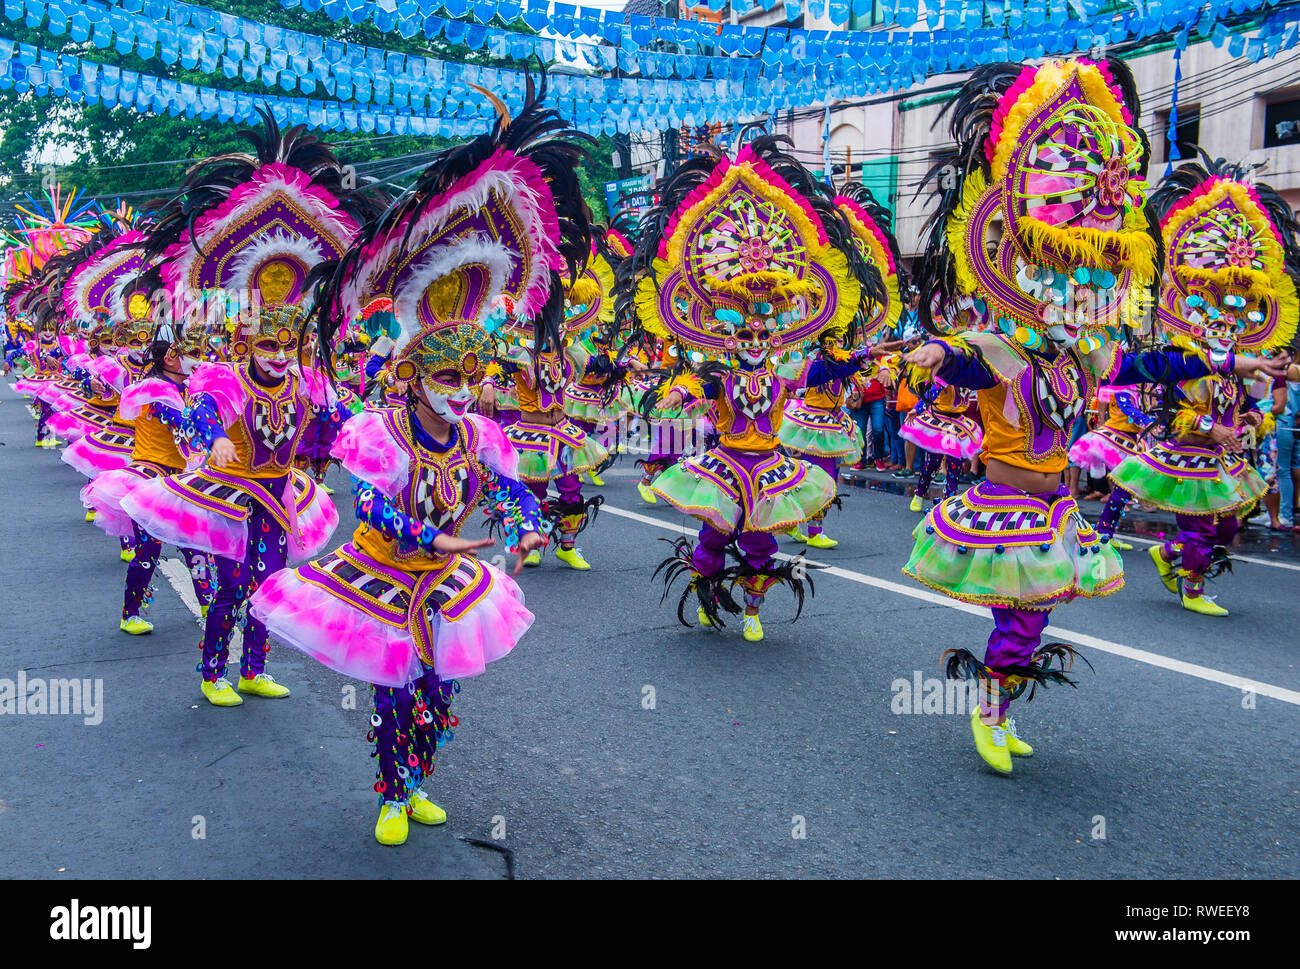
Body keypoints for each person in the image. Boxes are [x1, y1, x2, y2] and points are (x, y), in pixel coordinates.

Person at [901, 57, 1292, 775]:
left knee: (1034, 615)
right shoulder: (997, 348)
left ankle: (1000, 708)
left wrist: (1236, 363)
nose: (1072, 301)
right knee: (1020, 625)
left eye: (1080, 291)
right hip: (1004, 503)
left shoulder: (1084, 359)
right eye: (1057, 288)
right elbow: (963, 356)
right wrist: (932, 351)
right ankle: (989, 715)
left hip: (1055, 508)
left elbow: (1159, 365)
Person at [249, 79, 578, 846]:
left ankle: (418, 778)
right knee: (395, 691)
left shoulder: (478, 435)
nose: (463, 393)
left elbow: (507, 490)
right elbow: (374, 510)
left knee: (441, 688)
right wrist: (436, 540)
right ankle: (391, 793)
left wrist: (527, 526)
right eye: (448, 377)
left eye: (473, 379)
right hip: (385, 570)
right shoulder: (381, 432)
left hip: (447, 576)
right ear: (413, 374)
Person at [630, 136, 881, 642]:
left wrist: (857, 359)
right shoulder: (719, 375)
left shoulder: (786, 375)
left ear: (774, 336)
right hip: (726, 464)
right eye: (745, 334)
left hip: (768, 465)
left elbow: (824, 373)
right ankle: (706, 593)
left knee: (763, 545)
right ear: (731, 335)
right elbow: (692, 383)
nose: (755, 341)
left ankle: (752, 609)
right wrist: (678, 395)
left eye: (763, 334)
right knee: (712, 538)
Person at [1110, 156, 1298, 616]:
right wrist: (1210, 428)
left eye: (1234, 313)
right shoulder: (1186, 360)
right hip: (1189, 456)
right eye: (1215, 314)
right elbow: (1168, 409)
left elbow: (1246, 404)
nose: (1225, 321)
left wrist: (1252, 419)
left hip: (1225, 458)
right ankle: (1191, 588)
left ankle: (1168, 555)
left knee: (1229, 528)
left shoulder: (1235, 366)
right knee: (1199, 530)